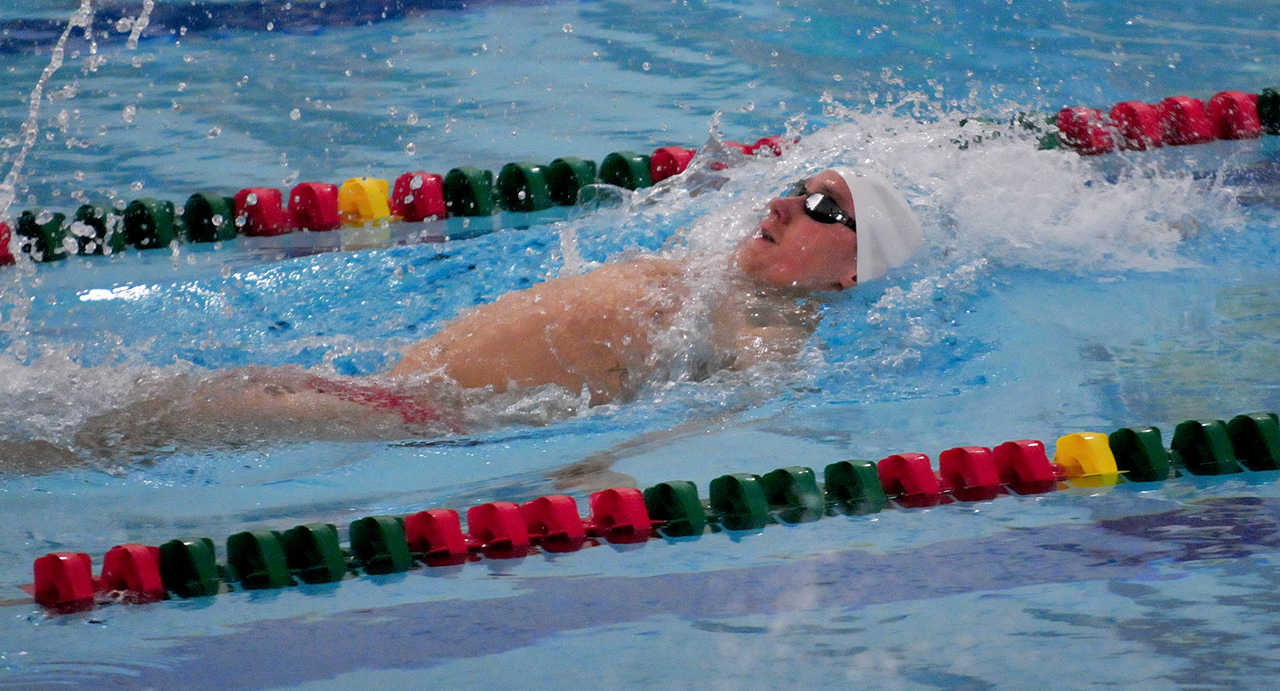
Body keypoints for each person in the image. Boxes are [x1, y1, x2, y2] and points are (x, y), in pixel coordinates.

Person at [50, 166, 922, 466]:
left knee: (121, 428)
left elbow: (715, 422)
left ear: (851, 274)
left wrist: (604, 471)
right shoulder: (711, 274)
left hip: (419, 416)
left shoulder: (769, 335)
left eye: (822, 207)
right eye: (799, 186)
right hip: (379, 390)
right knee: (133, 412)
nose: (785, 202)